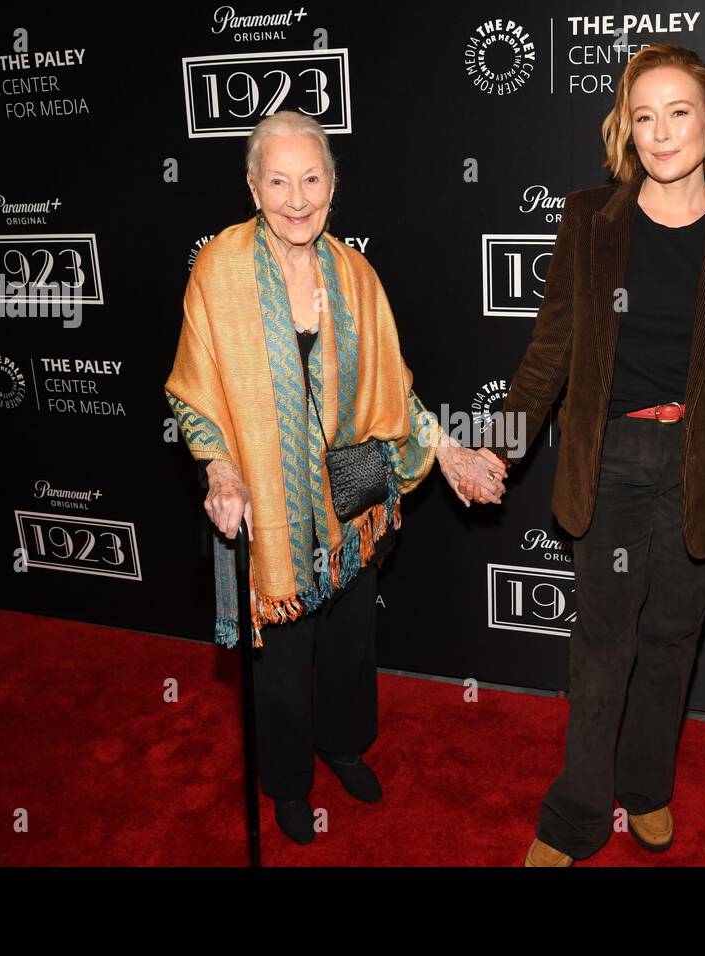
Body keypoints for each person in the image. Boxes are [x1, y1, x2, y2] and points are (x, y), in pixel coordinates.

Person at [478, 45, 705, 865]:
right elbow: (550, 352)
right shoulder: (590, 219)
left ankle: (648, 787)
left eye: (678, 112)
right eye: (644, 116)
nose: (661, 133)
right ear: (626, 128)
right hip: (613, 461)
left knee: (671, 643)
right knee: (603, 647)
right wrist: (501, 449)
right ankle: (577, 816)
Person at [164, 111, 506, 846]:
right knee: (281, 661)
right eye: (278, 181)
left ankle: (343, 745)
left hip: (350, 505)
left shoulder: (354, 274)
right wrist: (219, 468)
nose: (296, 198)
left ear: (333, 185)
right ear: (253, 188)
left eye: (311, 179)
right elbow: (192, 392)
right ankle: (288, 783)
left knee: (351, 640)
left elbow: (394, 395)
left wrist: (449, 454)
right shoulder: (219, 269)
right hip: (270, 512)